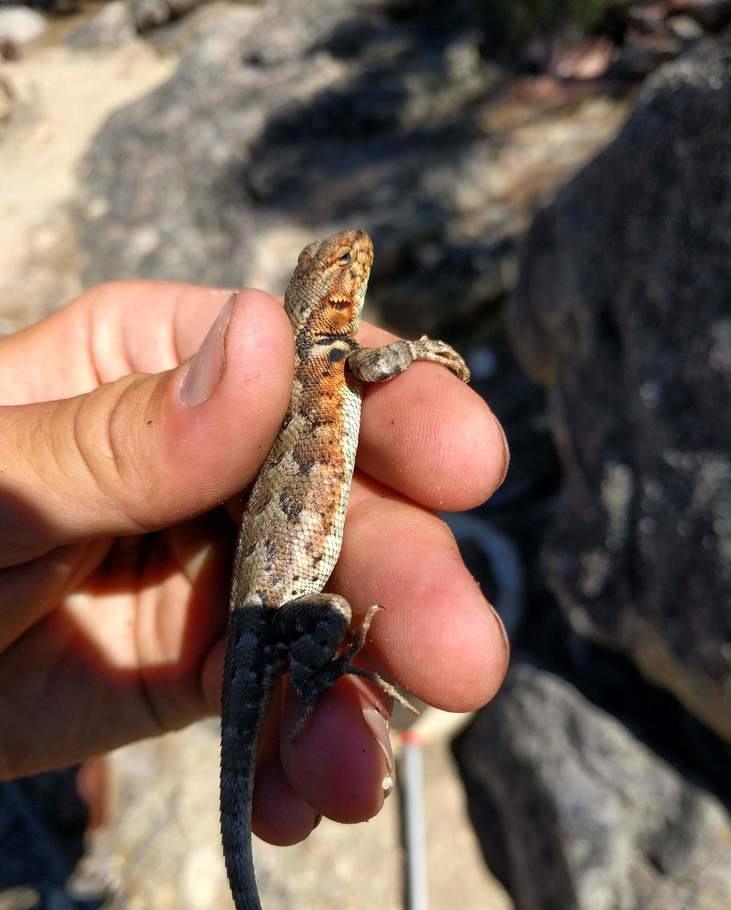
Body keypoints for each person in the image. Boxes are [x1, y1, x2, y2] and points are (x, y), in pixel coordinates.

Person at [0, 282, 510, 845]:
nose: (358, 265)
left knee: (336, 621)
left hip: (267, 594)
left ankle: (314, 678)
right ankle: (316, 680)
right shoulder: (328, 361)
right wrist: (415, 350)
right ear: (332, 305)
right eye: (343, 271)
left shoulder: (317, 365)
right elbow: (382, 361)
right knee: (334, 614)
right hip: (275, 600)